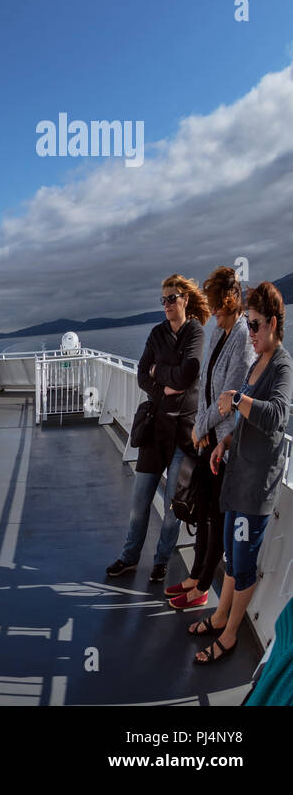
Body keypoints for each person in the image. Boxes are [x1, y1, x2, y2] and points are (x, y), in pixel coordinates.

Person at [192, 282, 290, 665]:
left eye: (255, 325)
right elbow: (248, 422)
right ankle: (219, 616)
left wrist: (236, 399)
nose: (250, 332)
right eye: (247, 324)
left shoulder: (282, 365)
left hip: (255, 488)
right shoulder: (257, 362)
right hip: (238, 476)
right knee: (231, 560)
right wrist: (225, 441)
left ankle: (230, 634)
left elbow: (278, 416)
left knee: (243, 565)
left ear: (274, 323)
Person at [106, 275, 208, 584]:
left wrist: (159, 374)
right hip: (155, 429)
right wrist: (165, 385)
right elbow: (140, 375)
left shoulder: (196, 332)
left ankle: (161, 561)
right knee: (140, 502)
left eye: (171, 298)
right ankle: (129, 557)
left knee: (173, 507)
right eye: (162, 300)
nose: (166, 304)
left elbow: (189, 374)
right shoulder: (157, 333)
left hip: (184, 432)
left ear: (185, 300)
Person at [167, 268, 254, 610]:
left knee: (215, 519)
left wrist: (199, 429)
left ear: (230, 301)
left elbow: (227, 396)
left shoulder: (243, 337)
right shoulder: (220, 332)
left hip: (224, 444)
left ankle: (203, 586)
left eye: (218, 305)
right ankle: (193, 577)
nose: (214, 311)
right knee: (202, 512)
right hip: (207, 439)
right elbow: (205, 385)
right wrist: (200, 429)